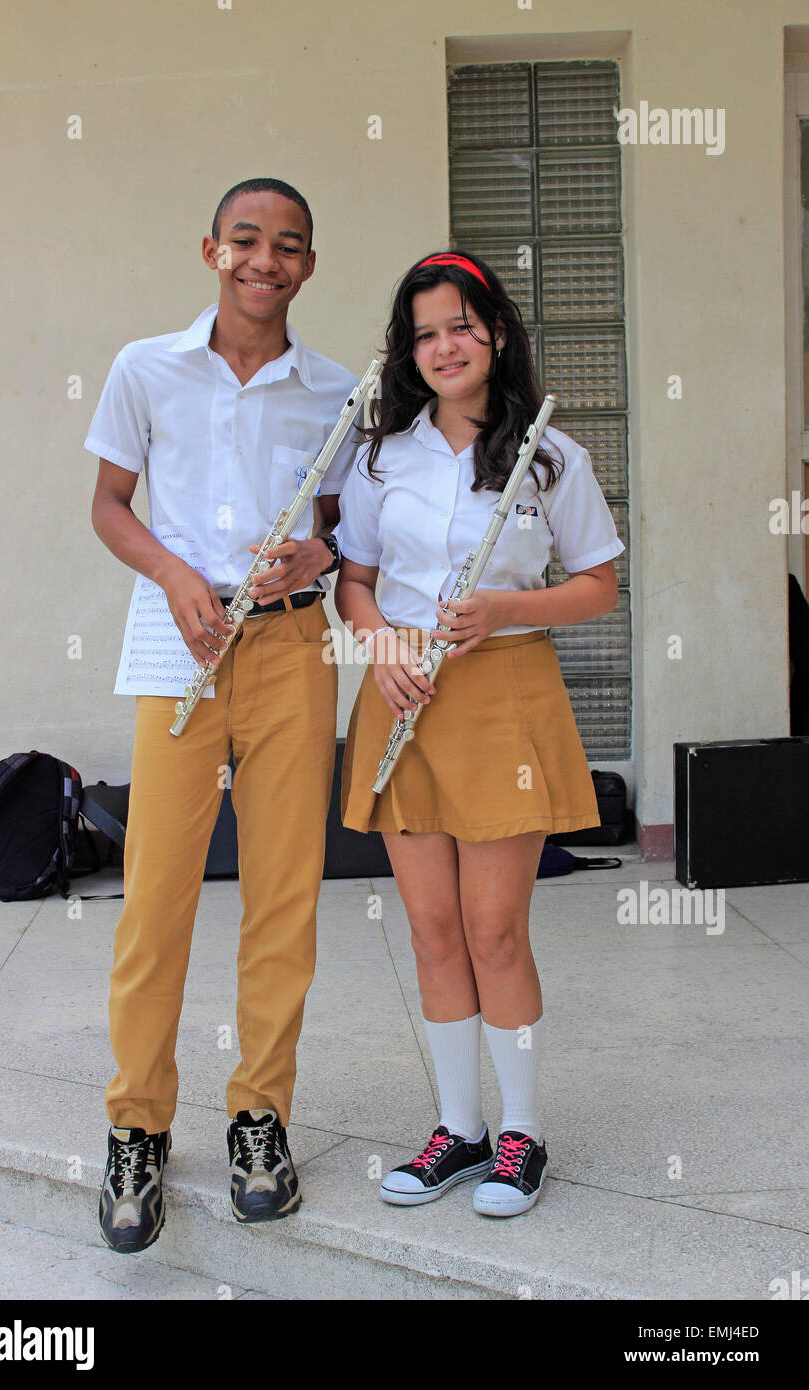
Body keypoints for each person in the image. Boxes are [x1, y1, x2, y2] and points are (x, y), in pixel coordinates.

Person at [85, 178, 360, 1249]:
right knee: (155, 895)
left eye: (287, 245)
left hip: (291, 644)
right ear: (211, 249)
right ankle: (136, 1125)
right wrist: (170, 574)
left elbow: (345, 529)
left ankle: (258, 1116)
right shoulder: (142, 367)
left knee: (283, 894)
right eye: (246, 239)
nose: (264, 260)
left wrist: (319, 553)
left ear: (305, 264)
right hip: (177, 640)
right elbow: (109, 504)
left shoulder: (333, 386)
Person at [334, 250, 625, 1218]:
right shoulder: (381, 455)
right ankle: (457, 1129)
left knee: (495, 927)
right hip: (403, 692)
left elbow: (597, 584)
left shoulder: (550, 457)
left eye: (459, 324)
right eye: (423, 333)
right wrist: (377, 648)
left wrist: (503, 606)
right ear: (407, 352)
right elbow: (354, 579)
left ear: (494, 332)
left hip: (502, 688)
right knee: (429, 927)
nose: (442, 345)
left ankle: (520, 1131)